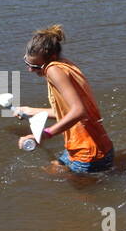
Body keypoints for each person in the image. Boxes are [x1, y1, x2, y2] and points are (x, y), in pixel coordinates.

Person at [18, 25, 114, 173]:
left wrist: (44, 134)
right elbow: (69, 111)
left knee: (79, 195)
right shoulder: (64, 64)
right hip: (87, 147)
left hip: (88, 155)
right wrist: (31, 111)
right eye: (27, 63)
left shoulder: (52, 70)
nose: (30, 70)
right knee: (50, 170)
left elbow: (79, 111)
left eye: (35, 66)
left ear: (51, 58)